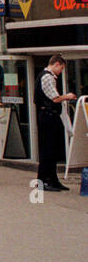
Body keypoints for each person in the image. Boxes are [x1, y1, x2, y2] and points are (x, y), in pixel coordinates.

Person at [34, 55, 76, 192]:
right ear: (57, 64)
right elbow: (55, 98)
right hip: (47, 115)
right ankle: (44, 181)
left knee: (52, 148)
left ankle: (52, 179)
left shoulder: (49, 76)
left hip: (50, 115)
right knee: (47, 148)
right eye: (62, 68)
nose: (61, 71)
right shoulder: (47, 76)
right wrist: (67, 96)